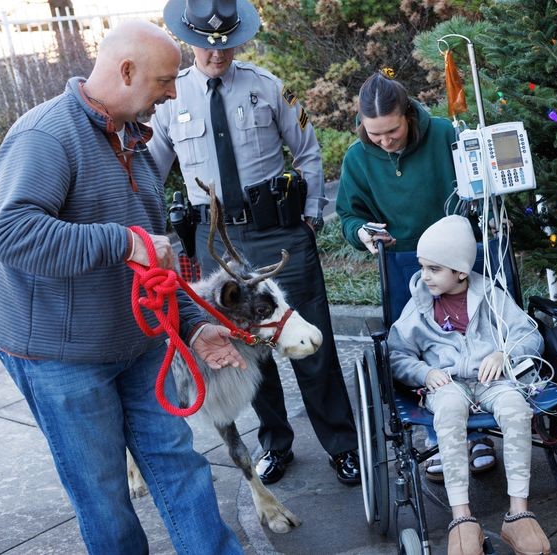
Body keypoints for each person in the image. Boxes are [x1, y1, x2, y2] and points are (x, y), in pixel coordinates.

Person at [0, 20, 245, 554]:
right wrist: (122, 243)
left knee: (182, 467)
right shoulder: (45, 136)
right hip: (60, 357)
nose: (174, 91)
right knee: (104, 496)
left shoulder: (135, 142)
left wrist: (193, 326)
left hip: (139, 344)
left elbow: (160, 261)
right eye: (165, 81)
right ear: (126, 71)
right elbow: (14, 236)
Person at [149, 0, 360, 486]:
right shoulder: (171, 99)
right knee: (243, 347)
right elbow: (151, 173)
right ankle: (276, 444)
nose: (216, 55)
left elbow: (307, 152)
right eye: (206, 45)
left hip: (277, 233)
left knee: (310, 341)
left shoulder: (268, 88)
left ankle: (342, 445)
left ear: (238, 39)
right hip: (215, 244)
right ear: (189, 39)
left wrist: (308, 219)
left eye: (225, 45)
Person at [336, 70, 498, 481]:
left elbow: (482, 183)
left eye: (392, 130)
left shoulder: (444, 134)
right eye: (375, 134)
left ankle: (477, 432)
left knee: (468, 337)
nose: (385, 141)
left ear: (408, 114)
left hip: (460, 256)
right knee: (420, 347)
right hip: (405, 263)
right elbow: (349, 215)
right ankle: (436, 433)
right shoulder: (358, 158)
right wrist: (362, 232)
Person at [388, 215, 550, 555]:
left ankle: (518, 514)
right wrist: (424, 373)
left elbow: (528, 333)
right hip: (447, 383)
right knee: (448, 410)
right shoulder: (418, 305)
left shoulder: (490, 294)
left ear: (460, 271)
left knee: (517, 410)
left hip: (495, 379)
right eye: (422, 267)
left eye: (434, 269)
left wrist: (504, 354)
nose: (424, 276)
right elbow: (398, 354)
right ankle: (462, 518)